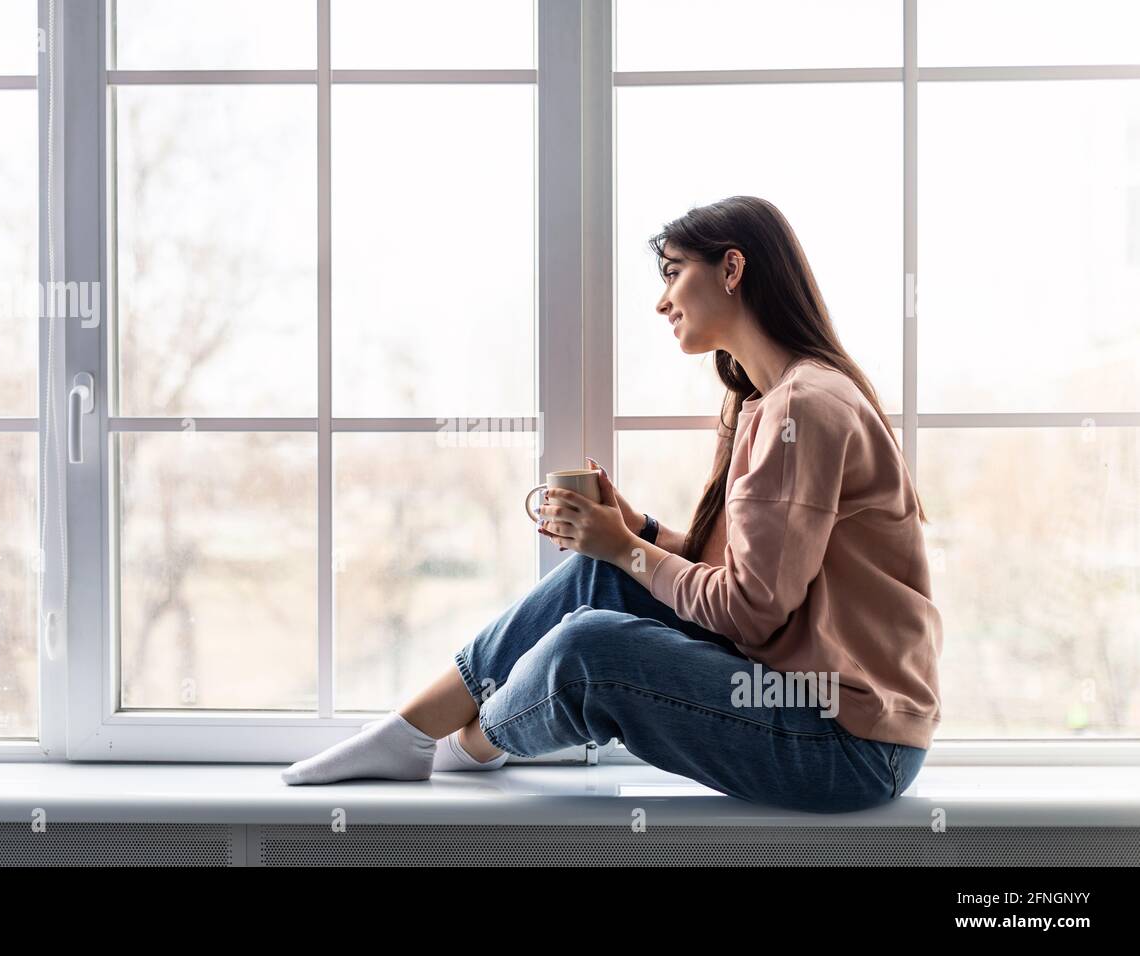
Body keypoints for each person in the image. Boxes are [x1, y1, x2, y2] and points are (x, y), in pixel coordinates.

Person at [282, 195, 943, 814]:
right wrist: (636, 533)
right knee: (598, 574)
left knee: (593, 650)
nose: (662, 302)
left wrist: (628, 549)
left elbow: (749, 610)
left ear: (733, 267)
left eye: (674, 272)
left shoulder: (806, 408)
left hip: (850, 744)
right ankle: (408, 730)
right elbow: (745, 580)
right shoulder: (769, 404)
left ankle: (467, 748)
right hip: (805, 701)